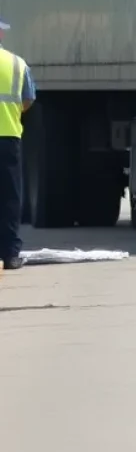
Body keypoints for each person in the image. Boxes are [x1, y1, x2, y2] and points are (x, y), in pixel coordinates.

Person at [0, 17, 36, 271]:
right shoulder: (17, 63)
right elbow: (28, 99)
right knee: (10, 198)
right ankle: (11, 255)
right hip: (9, 137)